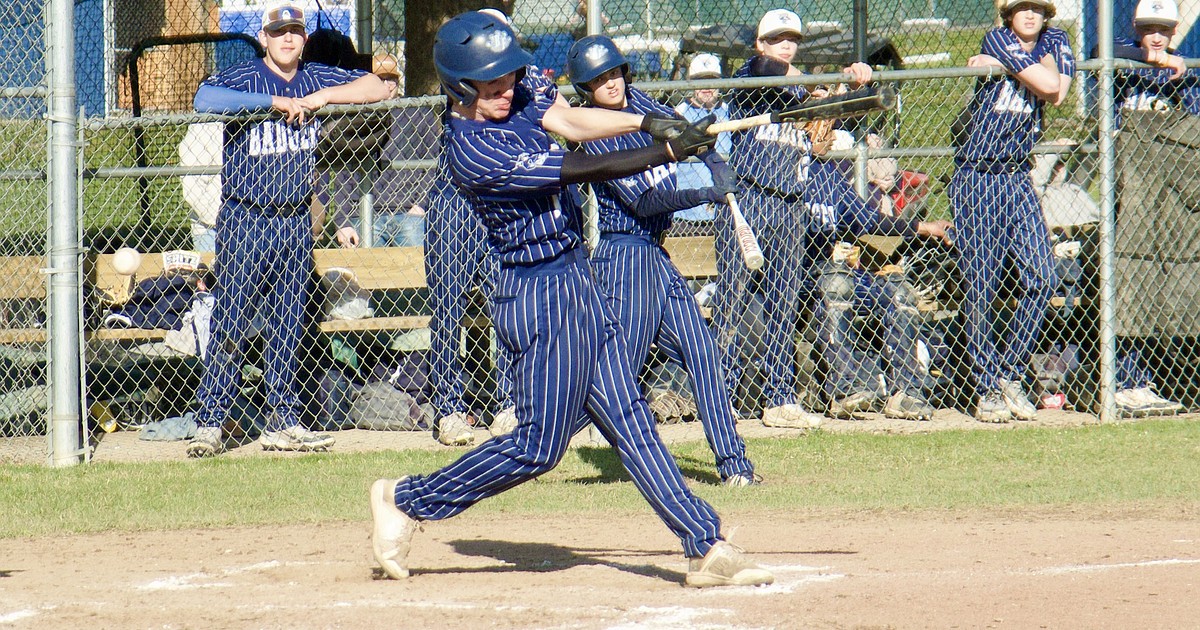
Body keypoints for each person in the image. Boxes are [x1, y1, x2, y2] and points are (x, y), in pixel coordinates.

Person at [370, 12, 774, 588]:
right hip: (537, 294)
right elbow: (581, 166)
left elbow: (568, 120)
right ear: (460, 87)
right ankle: (406, 499)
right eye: (491, 84)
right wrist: (668, 151)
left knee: (630, 415)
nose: (507, 89)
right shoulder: (474, 151)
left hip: (577, 278)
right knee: (538, 448)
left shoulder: (517, 90)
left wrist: (651, 121)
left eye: (509, 77)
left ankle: (704, 544)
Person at [185, 2, 390, 457]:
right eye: (279, 32)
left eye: (295, 31)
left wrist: (322, 99)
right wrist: (271, 103)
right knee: (231, 319)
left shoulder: (315, 75)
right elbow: (204, 100)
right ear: (265, 38)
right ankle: (211, 420)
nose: (288, 39)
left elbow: (377, 86)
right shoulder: (245, 76)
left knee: (288, 322)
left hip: (296, 218)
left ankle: (283, 420)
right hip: (246, 214)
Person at [566, 35, 759, 486]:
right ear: (584, 88)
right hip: (625, 256)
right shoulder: (593, 133)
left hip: (655, 253)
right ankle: (535, 439)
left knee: (703, 351)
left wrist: (713, 161)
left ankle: (735, 466)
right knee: (618, 374)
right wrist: (704, 193)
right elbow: (646, 203)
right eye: (598, 79)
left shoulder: (644, 105)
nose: (610, 83)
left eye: (614, 72)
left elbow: (692, 134)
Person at [716, 8, 872, 429]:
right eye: (777, 37)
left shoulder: (802, 89)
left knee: (784, 304)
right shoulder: (754, 73)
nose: (786, 44)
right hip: (750, 197)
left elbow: (822, 140)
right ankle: (721, 397)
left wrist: (851, 84)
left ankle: (780, 398)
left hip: (791, 204)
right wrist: (816, 87)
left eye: (793, 38)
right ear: (761, 43)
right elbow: (772, 73)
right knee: (733, 300)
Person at [949, 0, 1074, 423]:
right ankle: (985, 386)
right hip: (977, 175)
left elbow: (1058, 94)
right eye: (1021, 7)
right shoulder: (997, 38)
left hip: (1017, 175)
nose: (1030, 15)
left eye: (1037, 8)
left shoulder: (1057, 38)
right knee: (981, 283)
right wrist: (1039, 70)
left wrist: (1039, 71)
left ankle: (1009, 373)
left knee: (1042, 275)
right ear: (1008, 14)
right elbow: (1045, 80)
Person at [805, 142, 954, 420]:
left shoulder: (826, 173)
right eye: (820, 121)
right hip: (799, 276)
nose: (827, 130)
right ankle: (844, 389)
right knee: (837, 284)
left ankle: (905, 393)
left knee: (900, 292)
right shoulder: (784, 170)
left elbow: (868, 219)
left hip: (836, 271)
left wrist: (923, 227)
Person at [329, 53, 435, 249]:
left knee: (422, 271)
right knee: (368, 274)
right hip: (362, 210)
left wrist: (422, 202)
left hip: (408, 210)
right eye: (380, 79)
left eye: (392, 79)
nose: (388, 84)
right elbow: (342, 173)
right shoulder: (354, 118)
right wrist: (342, 221)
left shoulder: (417, 114)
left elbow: (433, 161)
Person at [672, 53, 732, 227]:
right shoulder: (679, 113)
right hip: (686, 213)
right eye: (700, 80)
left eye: (712, 79)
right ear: (691, 82)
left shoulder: (729, 113)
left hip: (722, 211)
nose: (707, 86)